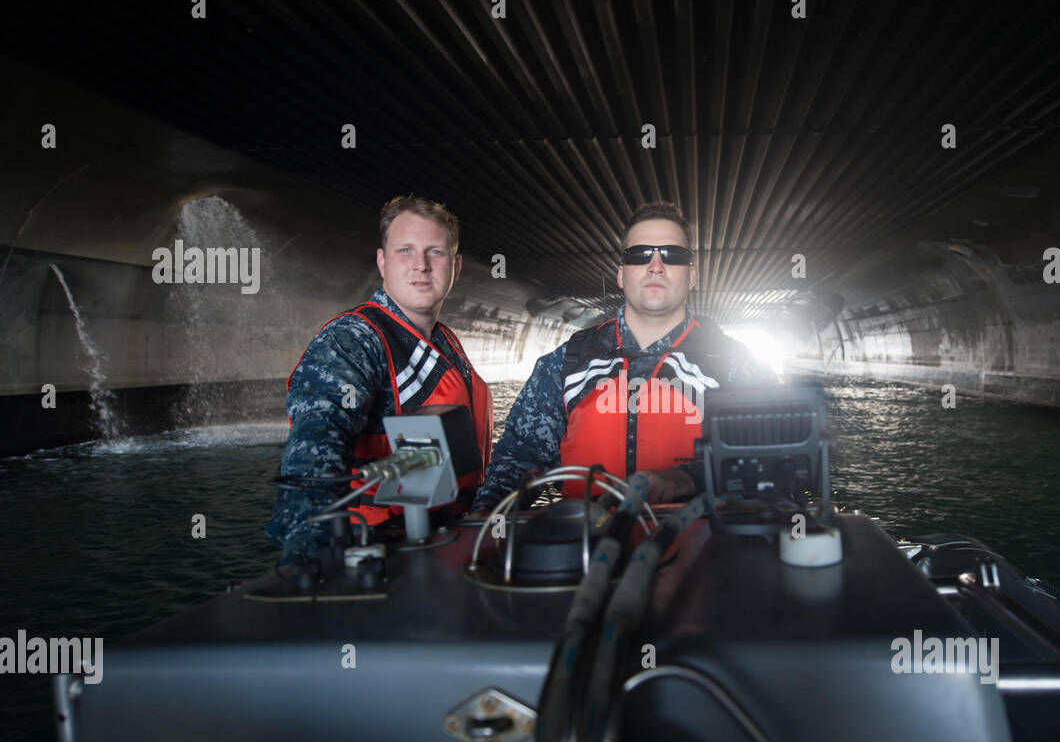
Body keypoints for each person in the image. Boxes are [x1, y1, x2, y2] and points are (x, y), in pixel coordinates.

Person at [474, 201, 774, 512]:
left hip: (702, 546)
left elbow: (774, 458)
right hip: (583, 545)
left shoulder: (735, 367)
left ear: (692, 276)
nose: (655, 265)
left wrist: (688, 478)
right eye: (640, 255)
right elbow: (518, 457)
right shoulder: (566, 364)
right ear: (621, 275)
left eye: (672, 255)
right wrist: (485, 519)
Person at [267, 196, 492, 560]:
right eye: (405, 250)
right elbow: (317, 440)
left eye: (435, 252)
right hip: (382, 550)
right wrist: (308, 556)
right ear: (382, 262)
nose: (420, 265)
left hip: (447, 544)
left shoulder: (446, 342)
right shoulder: (352, 339)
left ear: (456, 266)